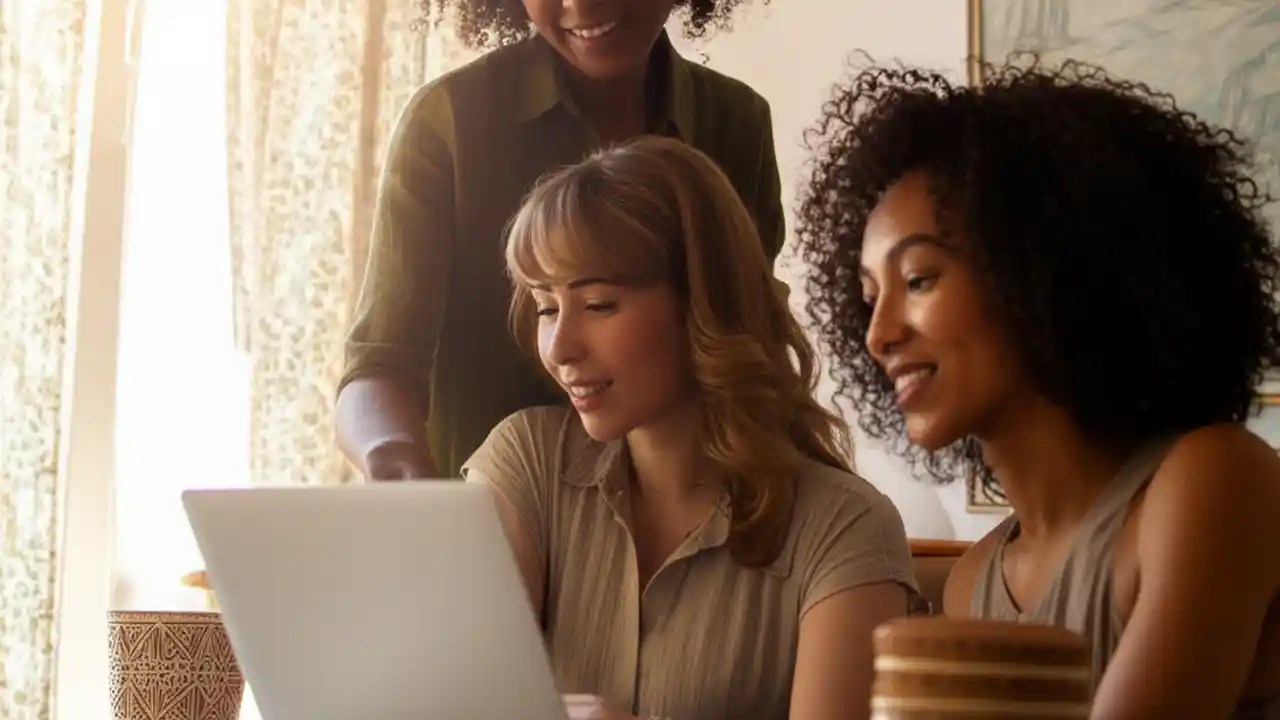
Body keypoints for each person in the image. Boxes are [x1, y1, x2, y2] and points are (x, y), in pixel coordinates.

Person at [796, 58, 1280, 718]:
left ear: (1043, 270)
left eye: (919, 280)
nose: (878, 335)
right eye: (869, 298)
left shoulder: (1213, 480)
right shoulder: (974, 583)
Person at [465, 136, 917, 720]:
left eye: (599, 305)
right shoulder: (525, 462)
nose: (559, 347)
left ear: (701, 304)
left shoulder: (843, 529)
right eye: (546, 307)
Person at [337, 0, 785, 480]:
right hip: (495, 529)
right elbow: (380, 363)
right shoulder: (450, 123)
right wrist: (394, 459)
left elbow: (749, 342)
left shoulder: (737, 123)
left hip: (687, 526)